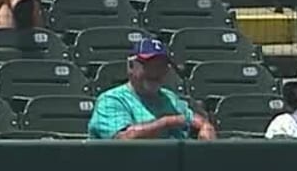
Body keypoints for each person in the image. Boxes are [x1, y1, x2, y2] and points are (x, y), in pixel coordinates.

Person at [87, 37, 217, 140]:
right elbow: (123, 138)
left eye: (161, 66)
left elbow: (190, 118)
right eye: (149, 66)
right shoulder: (112, 100)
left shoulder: (169, 97)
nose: (155, 73)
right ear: (131, 66)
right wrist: (167, 122)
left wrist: (205, 126)